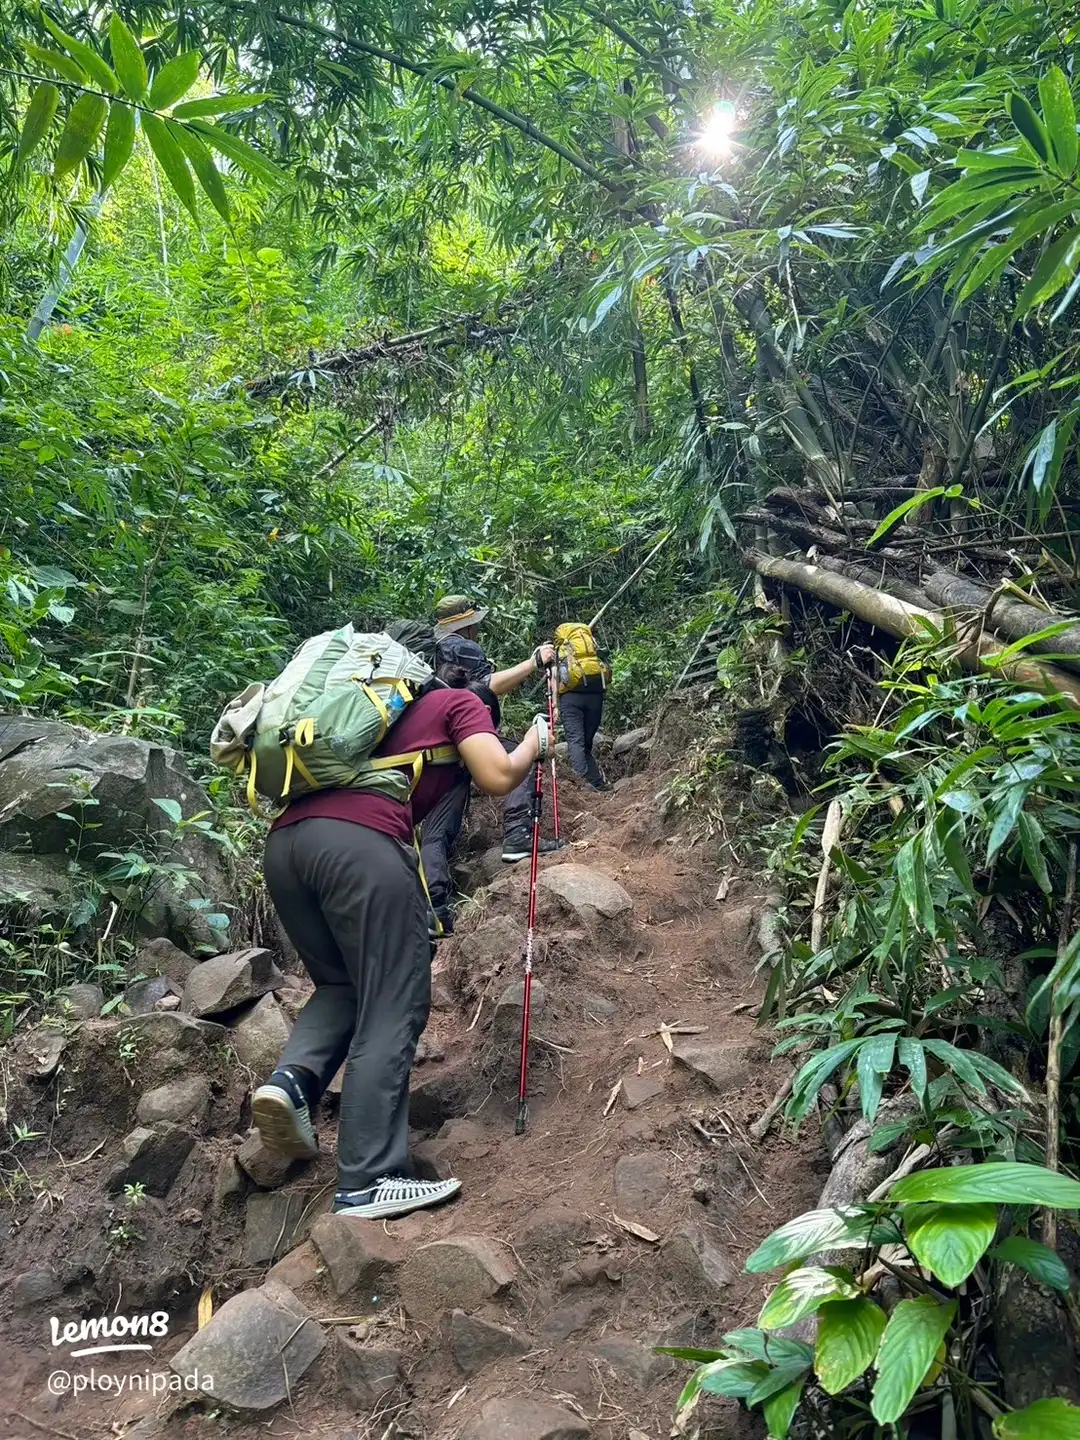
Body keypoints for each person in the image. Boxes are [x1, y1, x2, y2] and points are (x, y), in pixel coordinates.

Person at [250, 679, 550, 1221]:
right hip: (359, 845)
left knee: (341, 985)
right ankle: (369, 1179)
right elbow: (498, 775)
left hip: (286, 847)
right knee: (394, 1000)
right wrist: (534, 741)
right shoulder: (458, 703)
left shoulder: (364, 718)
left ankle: (293, 1081)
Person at [419, 595, 565, 934]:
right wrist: (533, 662)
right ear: (466, 624)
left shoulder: (429, 653)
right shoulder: (461, 645)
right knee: (519, 755)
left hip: (435, 747)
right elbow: (489, 685)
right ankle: (518, 835)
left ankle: (434, 910)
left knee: (437, 830)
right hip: (466, 736)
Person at [554, 620, 612, 791]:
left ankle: (581, 783)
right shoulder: (591, 648)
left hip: (571, 698)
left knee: (575, 741)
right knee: (586, 744)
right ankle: (597, 782)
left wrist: (555, 704)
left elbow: (554, 678)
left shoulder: (561, 651)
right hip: (595, 696)